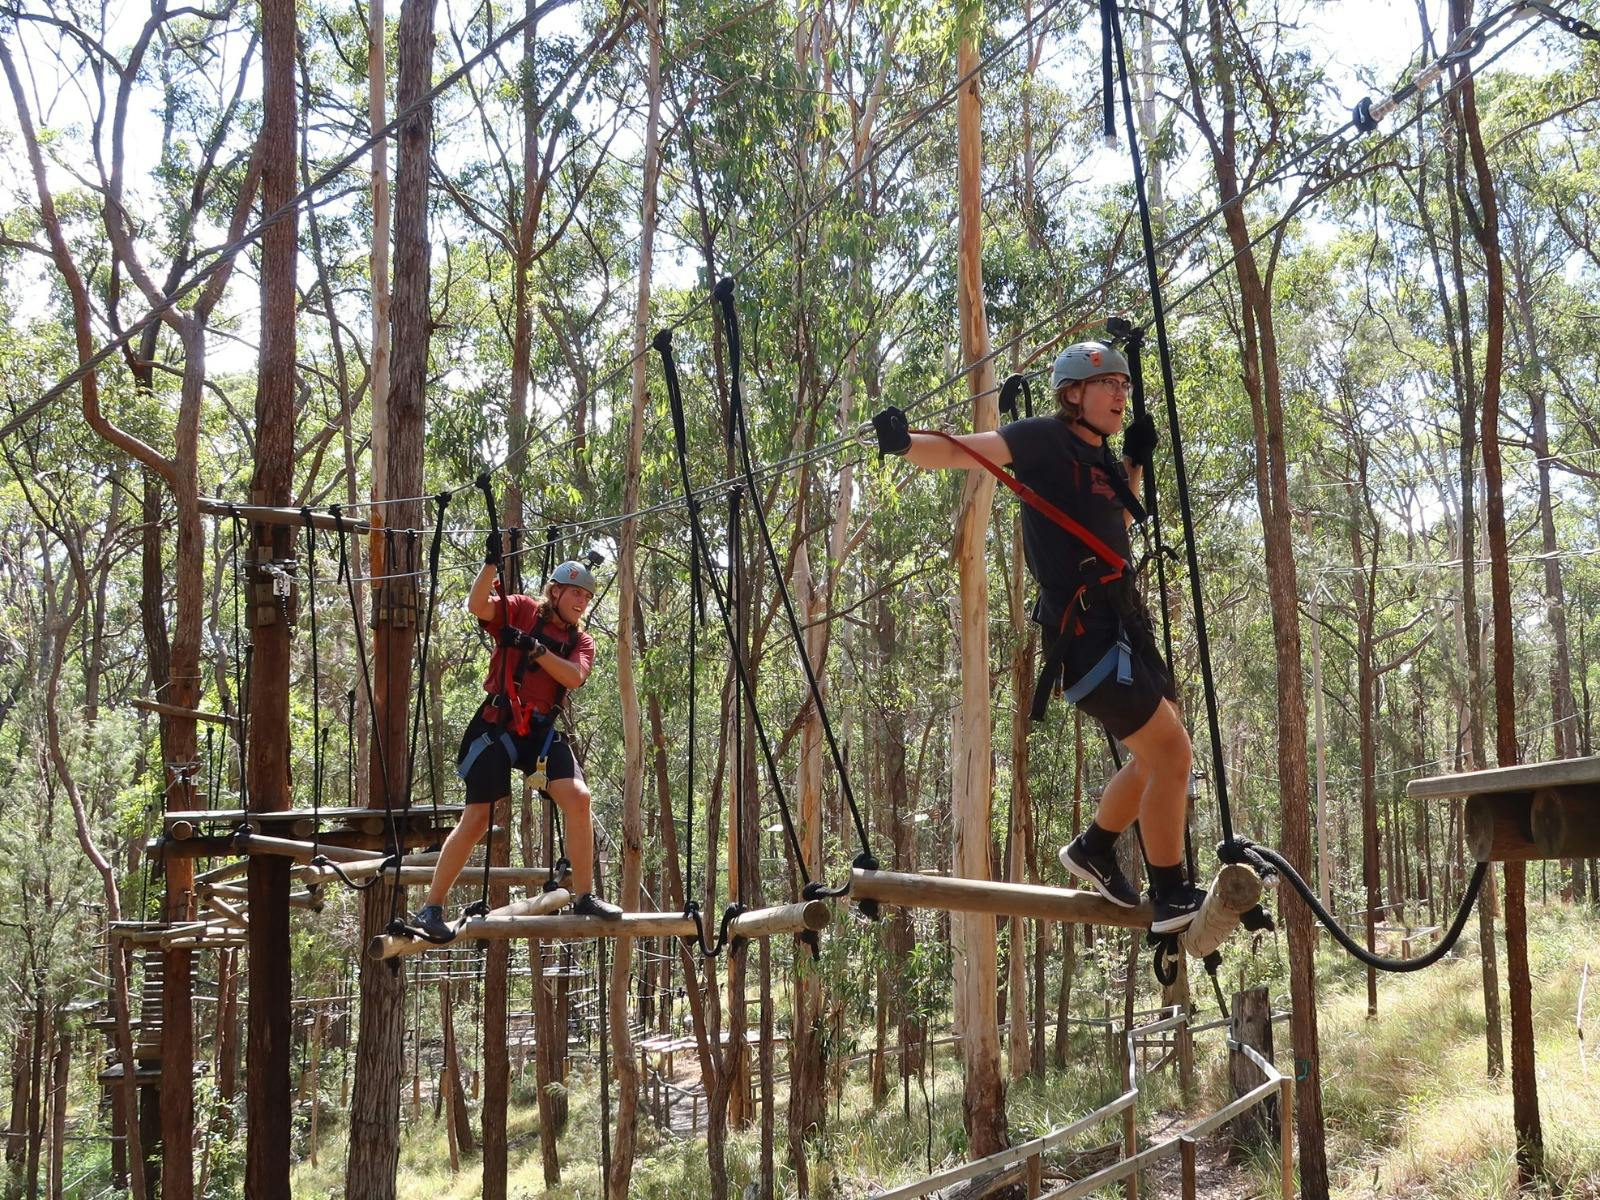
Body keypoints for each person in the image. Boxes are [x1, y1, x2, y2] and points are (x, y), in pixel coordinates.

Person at [872, 341, 1204, 933]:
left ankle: (1094, 849)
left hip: (1127, 620)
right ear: (1073, 392)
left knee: (1158, 757)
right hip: (1087, 634)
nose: (1121, 396)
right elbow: (962, 453)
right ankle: (1171, 894)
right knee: (1171, 753)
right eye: (1110, 385)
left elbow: (1114, 520)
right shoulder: (1042, 439)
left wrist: (1134, 463)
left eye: (1125, 387)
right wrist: (902, 443)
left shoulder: (1099, 455)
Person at [411, 549, 622, 940]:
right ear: (554, 592)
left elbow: (574, 676)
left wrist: (534, 649)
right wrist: (490, 562)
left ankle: (585, 896)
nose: (582, 602)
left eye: (587, 597)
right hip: (498, 723)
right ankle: (431, 907)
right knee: (476, 819)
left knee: (579, 798)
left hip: (538, 732)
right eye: (575, 593)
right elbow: (477, 604)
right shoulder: (523, 609)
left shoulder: (582, 641)